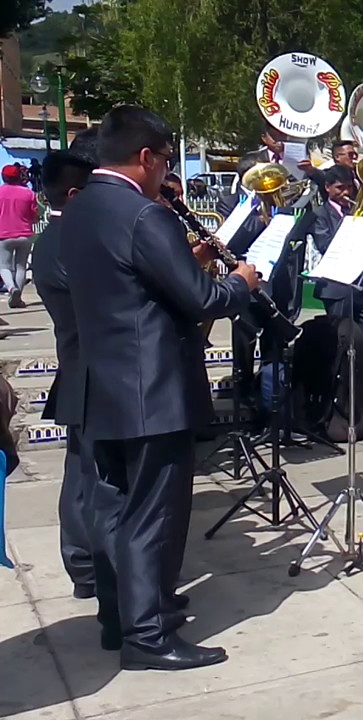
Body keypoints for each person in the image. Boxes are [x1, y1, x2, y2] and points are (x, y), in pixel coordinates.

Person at [63, 105, 258, 670]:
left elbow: (129, 285)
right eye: (165, 160)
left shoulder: (80, 210)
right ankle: (149, 637)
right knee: (155, 515)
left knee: (114, 510)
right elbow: (202, 301)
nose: (164, 171)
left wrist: (185, 264)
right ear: (146, 158)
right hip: (153, 389)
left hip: (105, 382)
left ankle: (119, 618)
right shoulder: (145, 215)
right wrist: (239, 282)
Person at [31, 151, 99, 599]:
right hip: (88, 368)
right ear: (75, 195)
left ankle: (87, 564)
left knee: (85, 475)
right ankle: (86, 567)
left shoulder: (60, 238)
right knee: (86, 479)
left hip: (85, 368)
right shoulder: (65, 242)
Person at [310, 164, 363, 395]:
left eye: (349, 187)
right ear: (327, 188)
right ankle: (342, 385)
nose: (346, 193)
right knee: (341, 337)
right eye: (340, 188)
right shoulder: (318, 215)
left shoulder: (360, 211)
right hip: (335, 286)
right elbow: (325, 245)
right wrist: (354, 224)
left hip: (362, 283)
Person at [0, 163, 38, 308]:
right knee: (21, 266)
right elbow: (35, 216)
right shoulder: (28, 193)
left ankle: (11, 288)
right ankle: (18, 298)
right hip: (25, 234)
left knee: (4, 266)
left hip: (3, 234)